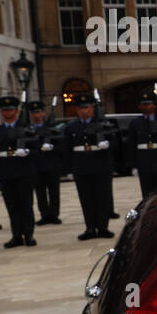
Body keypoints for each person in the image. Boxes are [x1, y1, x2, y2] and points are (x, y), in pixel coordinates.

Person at [62, 94, 114, 240]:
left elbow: (117, 144)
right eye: (80, 108)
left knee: (102, 197)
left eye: (86, 108)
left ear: (92, 108)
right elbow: (66, 149)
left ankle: (103, 227)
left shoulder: (104, 124)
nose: (83, 111)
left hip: (100, 165)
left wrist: (107, 144)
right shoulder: (71, 127)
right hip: (81, 166)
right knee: (86, 199)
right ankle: (90, 227)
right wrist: (68, 169)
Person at [0, 96, 37, 248]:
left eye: (10, 110)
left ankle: (28, 234)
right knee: (12, 206)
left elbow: (37, 151)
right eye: (4, 110)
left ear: (16, 111)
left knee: (26, 205)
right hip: (6, 173)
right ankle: (16, 235)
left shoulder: (27, 129)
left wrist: (27, 151)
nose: (7, 113)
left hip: (23, 172)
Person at [27, 101, 62, 224]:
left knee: (54, 191)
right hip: (36, 165)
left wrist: (52, 147)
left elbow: (61, 146)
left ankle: (54, 215)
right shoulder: (28, 130)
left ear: (43, 113)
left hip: (52, 164)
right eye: (33, 113)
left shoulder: (52, 128)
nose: (36, 115)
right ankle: (44, 215)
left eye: (38, 112)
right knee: (40, 192)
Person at [127, 92, 157, 197]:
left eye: (148, 104)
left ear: (154, 105)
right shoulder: (135, 123)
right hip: (143, 162)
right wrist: (133, 165)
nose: (146, 107)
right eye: (143, 104)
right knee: (147, 193)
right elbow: (131, 145)